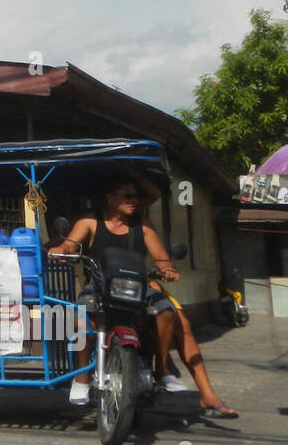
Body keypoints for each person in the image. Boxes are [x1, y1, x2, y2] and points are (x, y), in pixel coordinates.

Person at [49, 173, 239, 418]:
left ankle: (163, 371)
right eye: (128, 196)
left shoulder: (143, 223)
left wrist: (167, 270)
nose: (134, 201)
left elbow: (161, 258)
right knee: (80, 320)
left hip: (138, 286)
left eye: (136, 196)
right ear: (109, 198)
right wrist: (61, 250)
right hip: (98, 286)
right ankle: (82, 378)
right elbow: (69, 245)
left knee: (166, 313)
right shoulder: (90, 221)